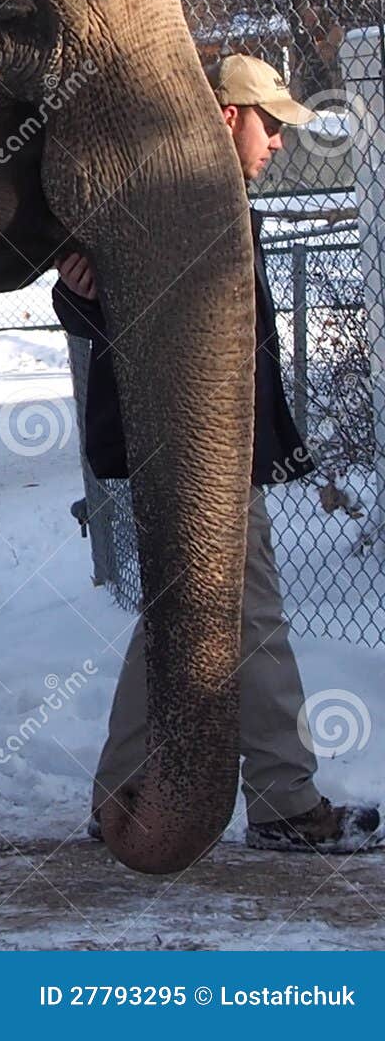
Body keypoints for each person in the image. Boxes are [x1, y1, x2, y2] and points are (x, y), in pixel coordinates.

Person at [54, 55, 380, 855]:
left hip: (211, 445)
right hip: (196, 451)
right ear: (227, 116)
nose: (277, 142)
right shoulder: (171, 195)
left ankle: (129, 793)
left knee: (182, 613)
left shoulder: (209, 195)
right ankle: (283, 802)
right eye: (268, 124)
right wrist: (80, 292)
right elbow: (98, 305)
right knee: (251, 616)